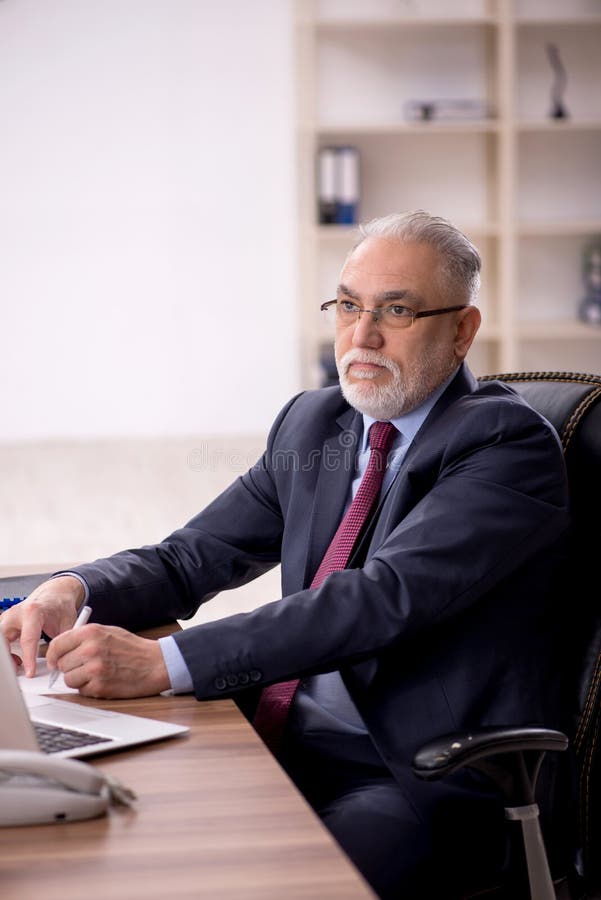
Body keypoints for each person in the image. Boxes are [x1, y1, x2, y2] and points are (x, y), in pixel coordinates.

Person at [1, 210, 570, 898]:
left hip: (408, 773)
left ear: (460, 330)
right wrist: (72, 588)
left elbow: (380, 597)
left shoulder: (505, 445)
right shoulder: (316, 422)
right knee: (101, 846)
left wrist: (163, 662)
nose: (361, 335)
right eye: (348, 305)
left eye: (396, 310)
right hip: (284, 739)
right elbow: (190, 558)